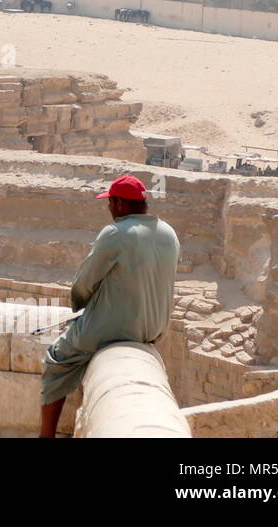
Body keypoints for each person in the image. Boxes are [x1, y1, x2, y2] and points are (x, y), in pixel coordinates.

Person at [38, 174, 179, 437]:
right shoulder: (169, 233)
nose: (109, 209)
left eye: (110, 203)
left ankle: (46, 435)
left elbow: (84, 284)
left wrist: (78, 306)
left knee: (56, 360)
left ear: (120, 204)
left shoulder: (116, 233)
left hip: (113, 330)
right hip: (153, 329)